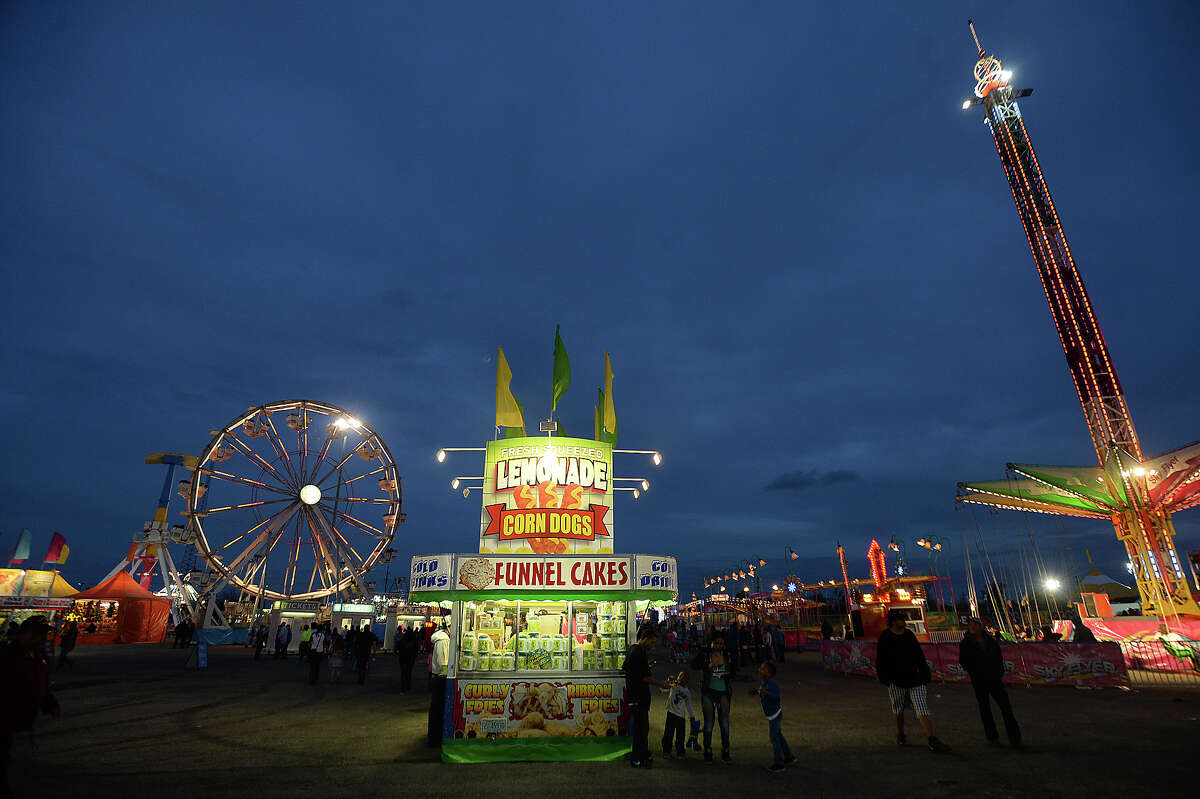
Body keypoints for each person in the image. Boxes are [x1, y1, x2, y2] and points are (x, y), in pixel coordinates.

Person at [1, 617, 61, 798]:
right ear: (25, 634)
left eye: (44, 635)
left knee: (11, 756)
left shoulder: (38, 655)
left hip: (23, 718)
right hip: (4, 716)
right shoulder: (6, 656)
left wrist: (49, 703)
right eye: (38, 635)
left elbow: (41, 683)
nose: (42, 639)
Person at [875, 609, 950, 753]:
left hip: (914, 678)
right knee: (898, 709)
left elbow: (918, 655)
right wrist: (885, 677)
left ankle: (931, 738)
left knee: (922, 707)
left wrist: (924, 673)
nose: (903, 621)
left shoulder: (909, 635)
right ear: (892, 621)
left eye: (903, 619)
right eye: (899, 619)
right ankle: (900, 733)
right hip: (895, 679)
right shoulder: (885, 637)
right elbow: (881, 659)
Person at [959, 617, 1022, 748]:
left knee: (1006, 708)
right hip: (979, 680)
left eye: (975, 624)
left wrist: (998, 671)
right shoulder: (966, 643)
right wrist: (974, 671)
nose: (972, 626)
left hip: (994, 678)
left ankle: (1015, 739)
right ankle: (992, 737)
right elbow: (963, 660)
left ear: (981, 626)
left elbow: (998, 656)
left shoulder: (990, 641)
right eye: (970, 624)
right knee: (985, 709)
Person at [624, 624, 668, 768]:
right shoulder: (639, 652)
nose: (653, 645)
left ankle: (643, 753)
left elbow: (628, 667)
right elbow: (644, 677)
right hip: (638, 697)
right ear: (645, 639)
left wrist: (646, 665)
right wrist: (662, 684)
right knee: (640, 730)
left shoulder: (632, 649)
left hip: (634, 696)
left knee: (643, 728)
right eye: (652, 642)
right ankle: (636, 758)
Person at [690, 633, 733, 763]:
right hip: (708, 692)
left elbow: (735, 669)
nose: (719, 646)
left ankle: (725, 751)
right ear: (712, 642)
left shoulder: (727, 655)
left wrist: (727, 671)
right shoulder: (705, 653)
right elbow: (693, 664)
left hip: (723, 693)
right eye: (716, 643)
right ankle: (707, 750)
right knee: (709, 724)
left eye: (721, 643)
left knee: (724, 724)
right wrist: (708, 665)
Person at [750, 661, 795, 773]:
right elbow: (763, 693)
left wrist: (766, 692)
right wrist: (758, 692)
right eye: (761, 668)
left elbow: (776, 697)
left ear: (769, 673)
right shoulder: (764, 682)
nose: (760, 670)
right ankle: (789, 757)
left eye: (763, 669)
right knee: (778, 735)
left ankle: (779, 763)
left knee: (774, 738)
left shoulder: (771, 684)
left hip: (774, 715)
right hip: (772, 714)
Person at [662, 671, 696, 759]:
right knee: (668, 734)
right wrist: (668, 681)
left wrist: (692, 716)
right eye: (681, 677)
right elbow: (662, 689)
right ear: (678, 678)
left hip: (681, 716)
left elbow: (688, 704)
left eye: (685, 678)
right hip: (671, 713)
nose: (682, 680)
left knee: (680, 736)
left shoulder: (687, 691)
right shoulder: (674, 685)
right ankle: (666, 751)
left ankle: (680, 752)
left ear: (687, 681)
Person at [428, 623, 450, 748]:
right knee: (437, 709)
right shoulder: (443, 640)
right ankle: (434, 739)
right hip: (440, 678)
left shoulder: (444, 638)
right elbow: (443, 662)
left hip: (439, 677)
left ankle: (435, 738)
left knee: (438, 708)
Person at [397, 628, 418, 694]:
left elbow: (397, 647)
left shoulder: (402, 640)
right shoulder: (414, 641)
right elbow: (417, 649)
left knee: (403, 674)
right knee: (408, 672)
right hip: (410, 658)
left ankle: (403, 689)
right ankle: (408, 686)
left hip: (402, 658)